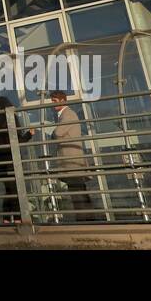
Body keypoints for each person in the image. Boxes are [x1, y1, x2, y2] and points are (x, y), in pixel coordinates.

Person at [48, 89, 94, 222]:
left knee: (77, 191)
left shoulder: (67, 114)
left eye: (55, 101)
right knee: (78, 190)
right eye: (52, 101)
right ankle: (87, 218)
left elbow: (57, 133)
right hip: (72, 160)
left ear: (63, 101)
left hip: (71, 161)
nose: (53, 104)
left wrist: (53, 135)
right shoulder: (66, 114)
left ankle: (85, 219)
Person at [0, 95, 33, 223]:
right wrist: (29, 134)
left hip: (0, 160)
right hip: (12, 159)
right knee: (16, 190)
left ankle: (7, 219)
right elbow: (17, 141)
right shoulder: (11, 118)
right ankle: (18, 218)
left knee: (9, 190)